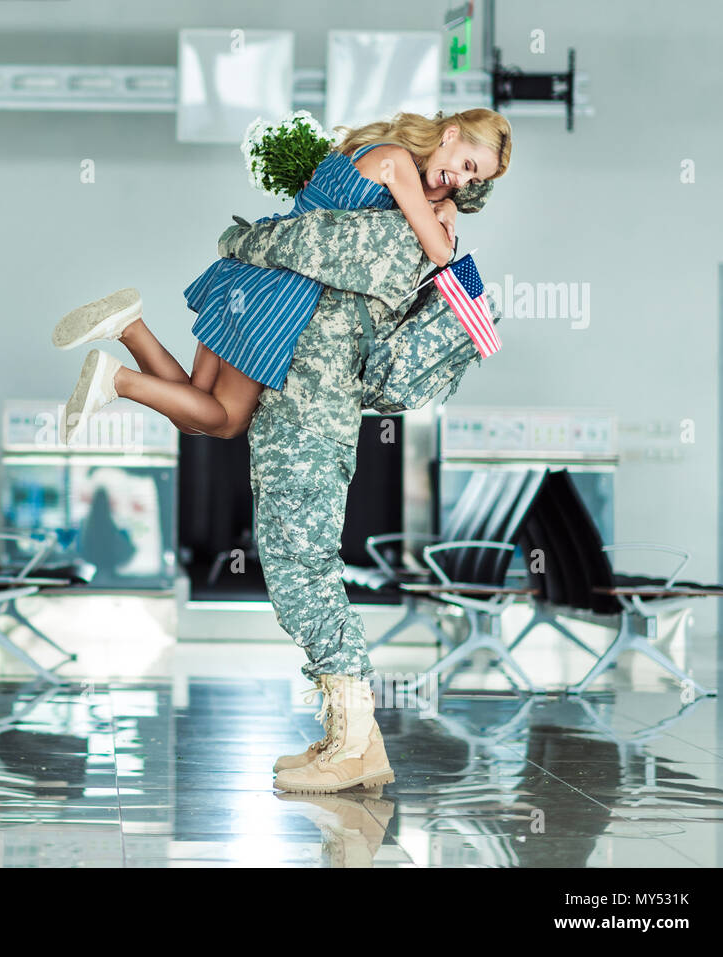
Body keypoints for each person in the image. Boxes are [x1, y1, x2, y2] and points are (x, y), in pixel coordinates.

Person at [215, 159, 508, 793]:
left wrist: (235, 241)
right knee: (305, 570)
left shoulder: (387, 233)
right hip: (304, 422)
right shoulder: (403, 229)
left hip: (307, 429)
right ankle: (359, 744)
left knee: (304, 577)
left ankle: (350, 744)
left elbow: (300, 242)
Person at [53, 109, 512, 443]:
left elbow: (431, 201)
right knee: (228, 419)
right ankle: (117, 381)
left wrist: (449, 201)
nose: (461, 181)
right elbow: (437, 249)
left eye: (472, 182)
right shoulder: (396, 164)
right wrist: (447, 215)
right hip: (282, 295)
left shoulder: (370, 148)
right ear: (450, 134)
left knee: (192, 405)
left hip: (247, 276)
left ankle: (129, 327)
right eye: (467, 167)